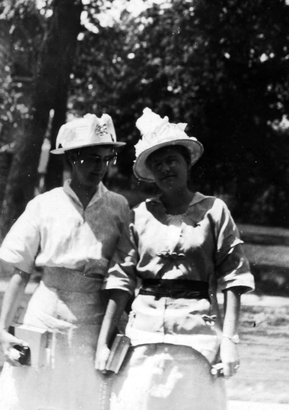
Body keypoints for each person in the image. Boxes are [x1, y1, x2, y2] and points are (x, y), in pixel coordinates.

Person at [95, 107, 255, 410]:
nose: (166, 169)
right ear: (151, 174)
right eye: (158, 164)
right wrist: (104, 342)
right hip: (143, 338)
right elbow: (121, 279)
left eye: (172, 160)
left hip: (197, 338)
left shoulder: (215, 212)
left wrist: (230, 341)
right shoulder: (140, 215)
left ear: (187, 163)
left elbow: (234, 279)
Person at [0, 113, 130, 410]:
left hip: (92, 320)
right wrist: (3, 328)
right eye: (92, 158)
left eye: (107, 158)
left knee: (83, 396)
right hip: (45, 314)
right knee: (35, 396)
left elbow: (123, 273)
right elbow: (21, 271)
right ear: (72, 158)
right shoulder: (44, 204)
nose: (100, 167)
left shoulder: (118, 207)